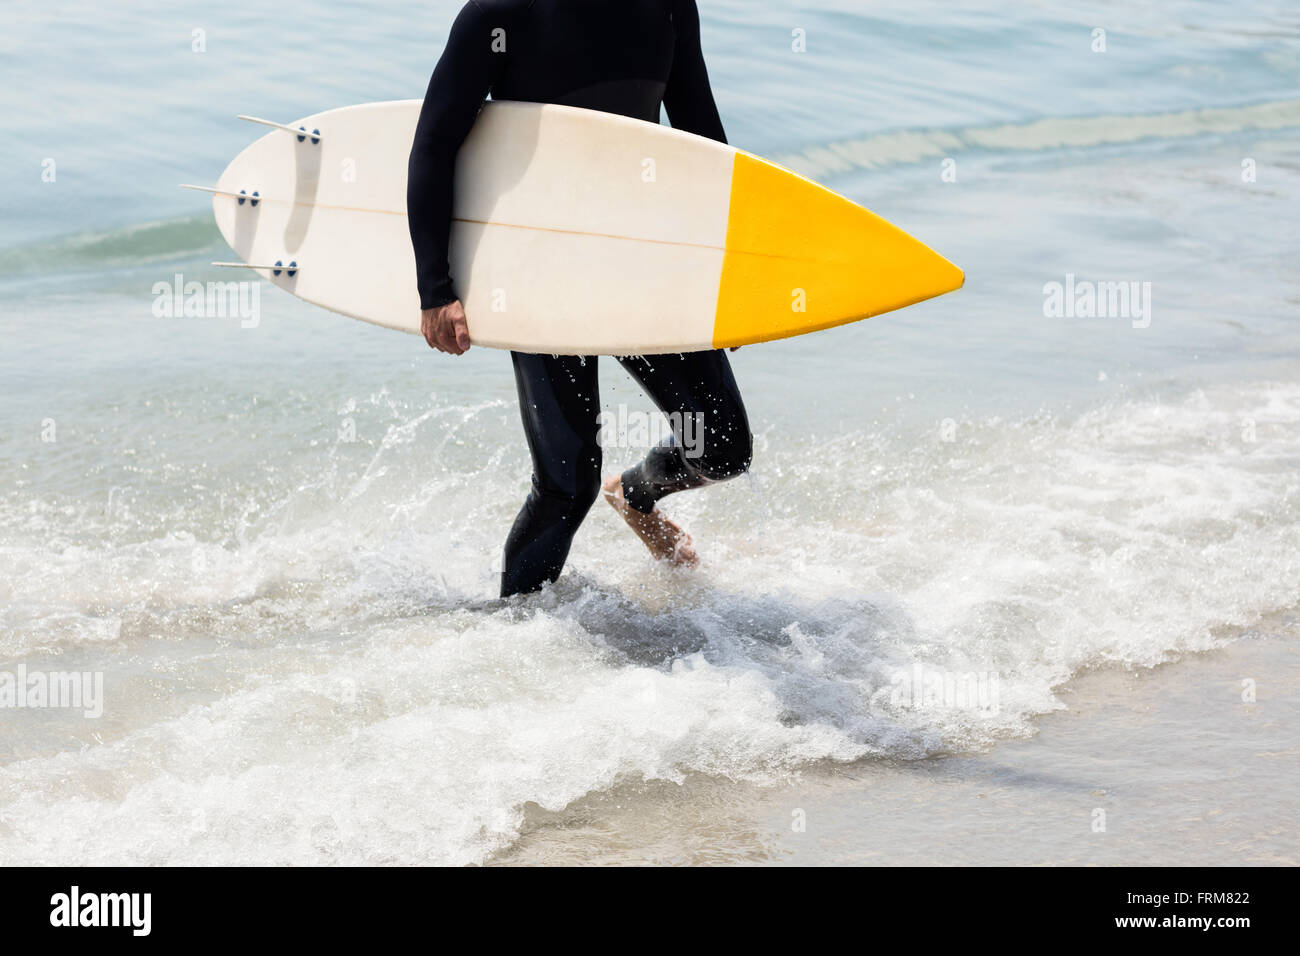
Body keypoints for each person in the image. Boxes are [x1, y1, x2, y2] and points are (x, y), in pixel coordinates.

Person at [407, 0, 752, 597]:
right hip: (543, 273)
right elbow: (435, 144)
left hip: (637, 262)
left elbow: (703, 139)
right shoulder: (500, 14)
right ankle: (516, 637)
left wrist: (722, 281)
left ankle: (637, 496)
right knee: (567, 485)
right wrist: (436, 288)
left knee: (720, 445)